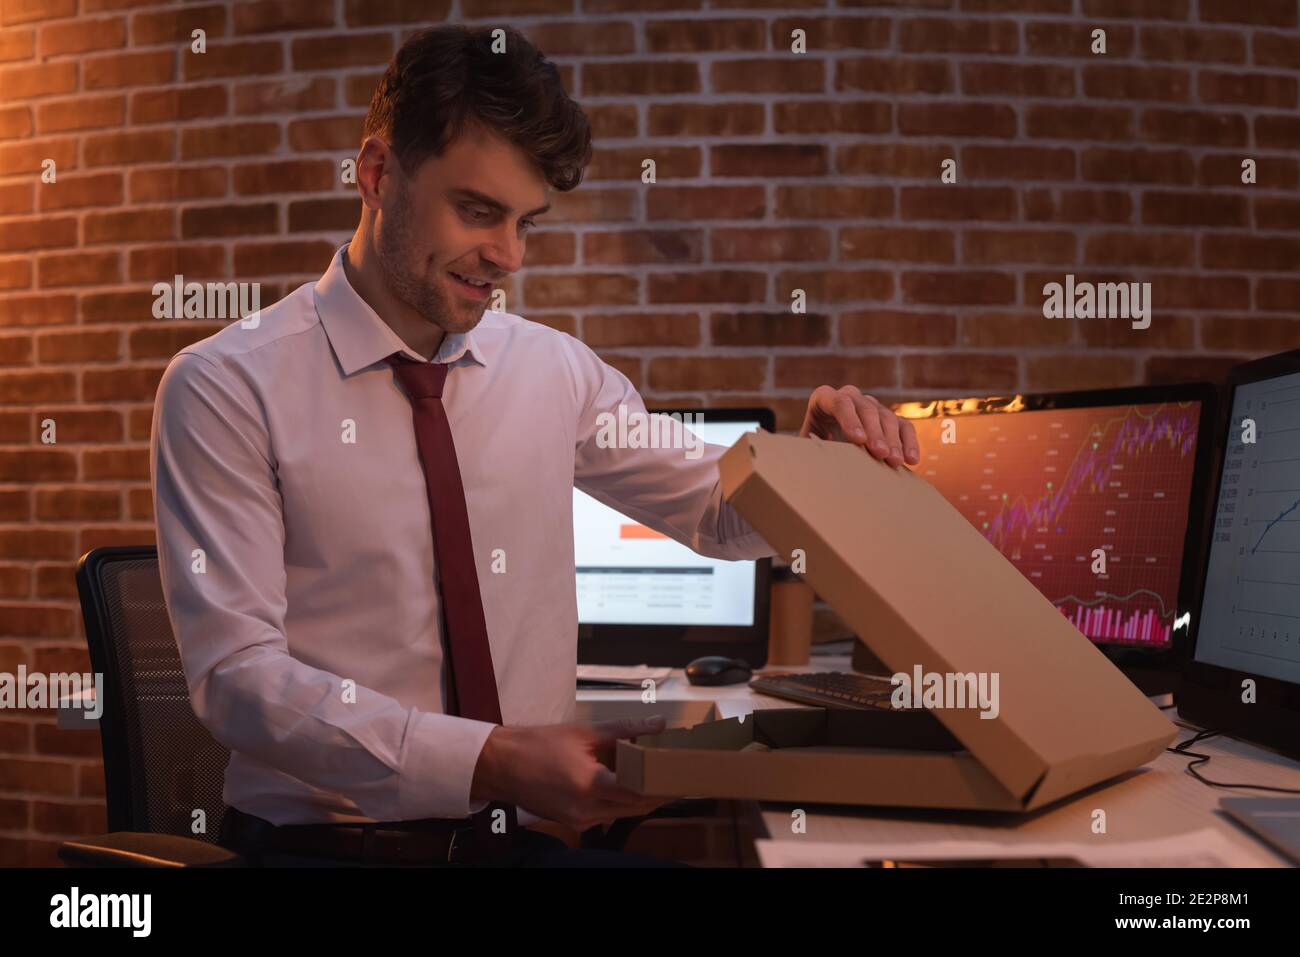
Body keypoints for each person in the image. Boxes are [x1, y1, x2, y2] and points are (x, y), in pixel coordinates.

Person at [152, 24, 920, 867]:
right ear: (376, 174)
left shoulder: (554, 371)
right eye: (478, 211)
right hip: (324, 848)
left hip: (513, 844)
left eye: (527, 221)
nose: (507, 257)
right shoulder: (226, 385)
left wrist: (810, 467)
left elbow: (718, 515)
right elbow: (238, 681)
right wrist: (493, 759)